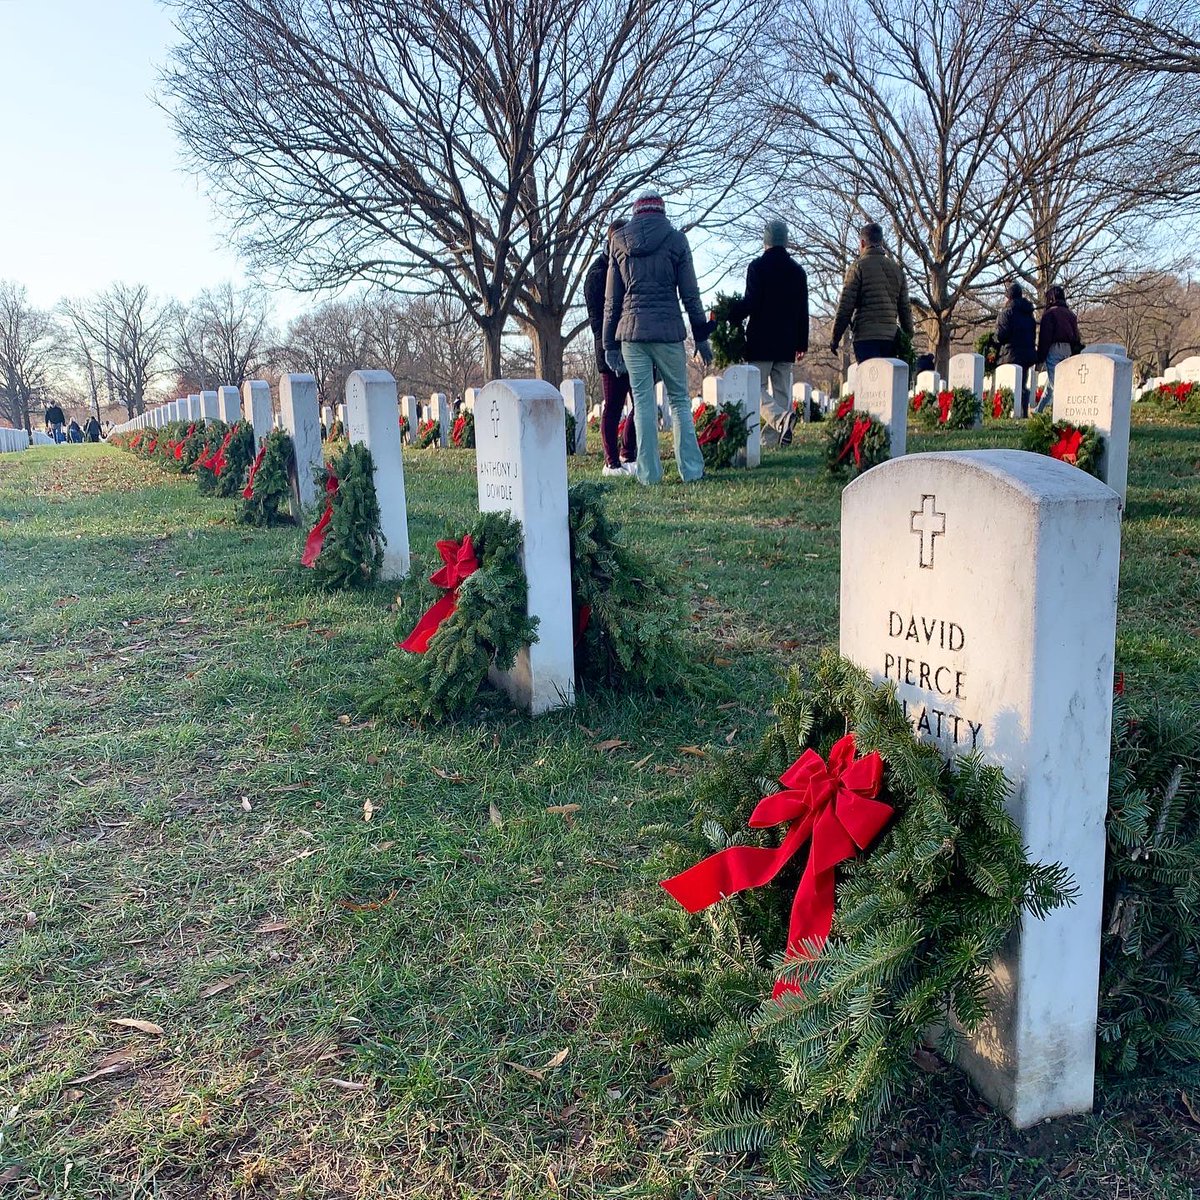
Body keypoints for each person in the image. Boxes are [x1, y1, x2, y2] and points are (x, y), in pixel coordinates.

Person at [603, 190, 714, 486]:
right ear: (661, 212)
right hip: (667, 332)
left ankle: (649, 475)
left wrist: (609, 345)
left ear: (636, 212)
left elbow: (612, 300)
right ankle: (691, 469)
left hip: (631, 334)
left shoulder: (619, 241)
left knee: (642, 402)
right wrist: (701, 337)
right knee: (679, 400)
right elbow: (691, 294)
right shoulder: (677, 240)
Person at [728, 219, 809, 448]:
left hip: (761, 339)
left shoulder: (757, 267)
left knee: (754, 387)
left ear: (766, 241)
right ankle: (773, 441)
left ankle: (780, 420)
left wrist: (732, 314)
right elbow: (803, 310)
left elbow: (751, 303)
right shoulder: (798, 271)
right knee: (782, 392)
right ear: (786, 240)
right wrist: (801, 343)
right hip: (787, 340)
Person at [585, 218, 636, 476]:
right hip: (609, 349)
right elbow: (597, 320)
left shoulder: (630, 265)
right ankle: (611, 461)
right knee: (613, 405)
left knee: (640, 402)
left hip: (633, 344)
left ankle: (629, 453)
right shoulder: (596, 274)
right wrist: (610, 346)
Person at [830, 222, 914, 365]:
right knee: (886, 384)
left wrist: (835, 338)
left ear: (862, 243)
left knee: (869, 384)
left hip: (865, 337)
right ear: (881, 242)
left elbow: (845, 307)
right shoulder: (897, 270)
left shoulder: (857, 268)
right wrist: (907, 336)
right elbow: (905, 308)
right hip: (890, 339)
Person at [1035, 285, 1082, 412]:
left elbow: (1045, 339)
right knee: (1053, 382)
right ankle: (1039, 409)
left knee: (1056, 383)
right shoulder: (1070, 314)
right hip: (1068, 350)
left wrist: (1040, 358)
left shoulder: (1049, 314)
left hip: (1054, 348)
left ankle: (1063, 412)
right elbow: (1076, 337)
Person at [995, 282, 1038, 416]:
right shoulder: (1029, 313)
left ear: (1008, 297)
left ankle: (1008, 412)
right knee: (1022, 384)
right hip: (1026, 354)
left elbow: (1001, 335)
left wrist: (993, 340)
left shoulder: (1006, 313)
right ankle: (1023, 411)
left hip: (1010, 354)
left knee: (1009, 386)